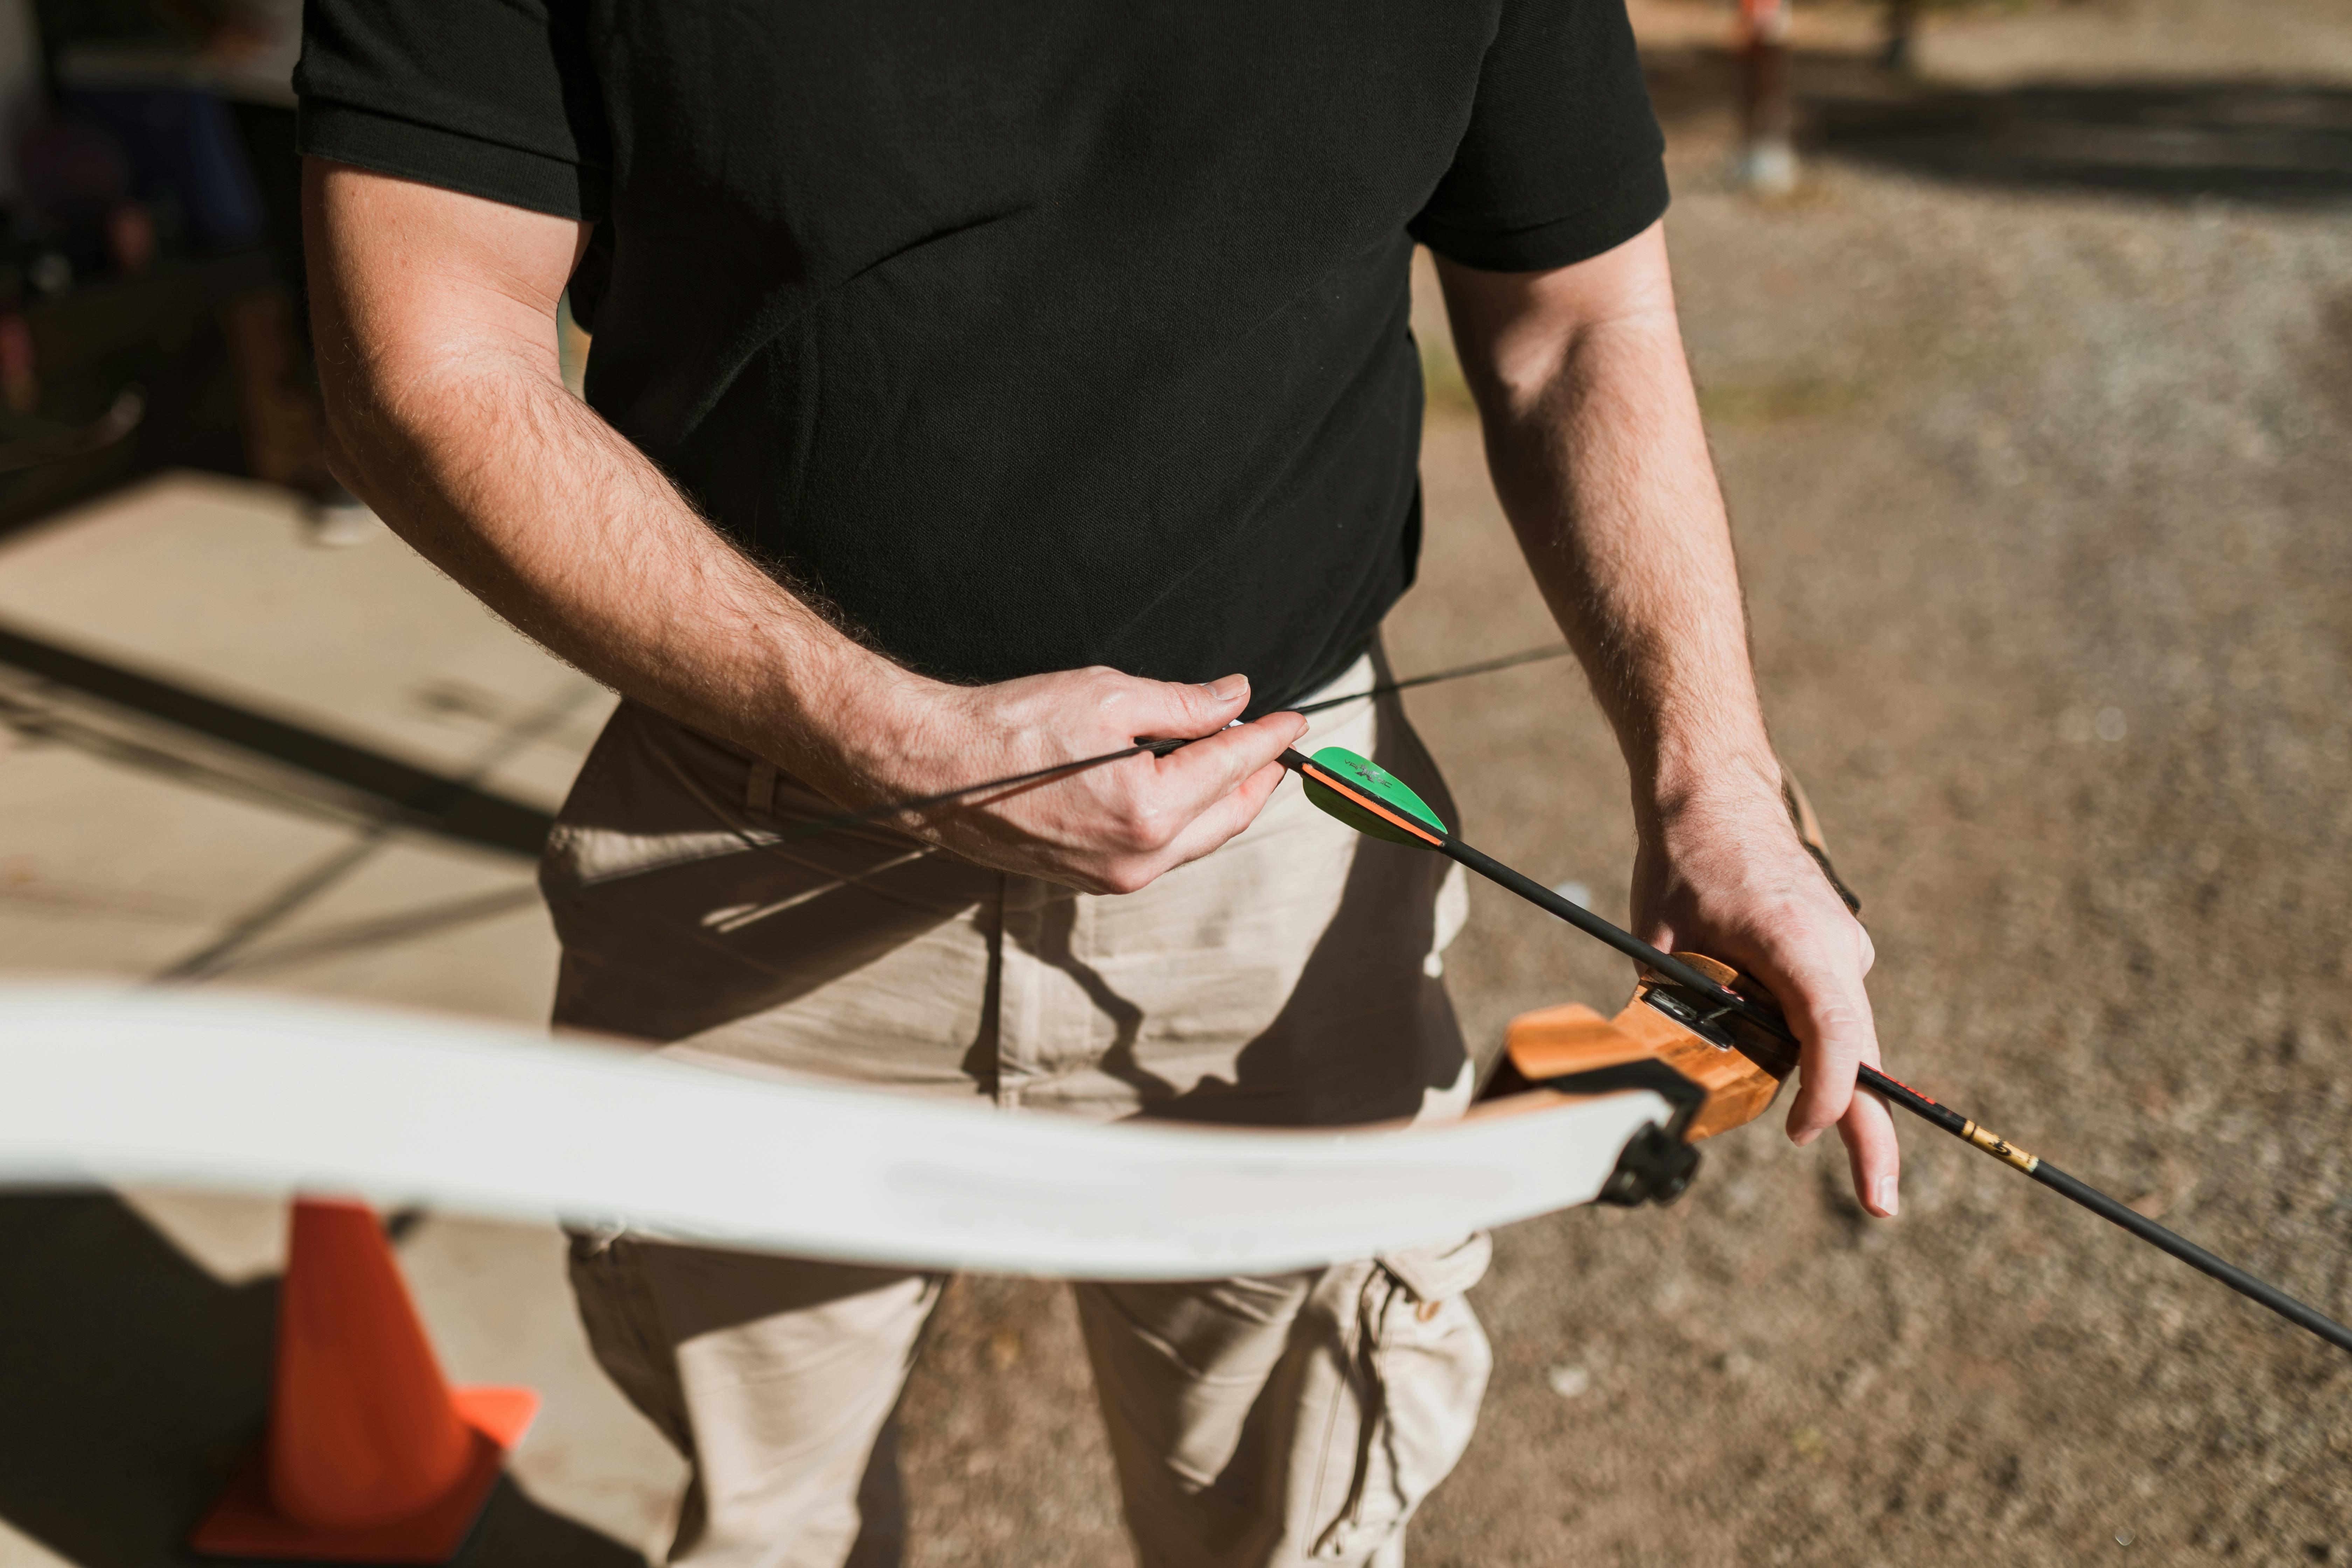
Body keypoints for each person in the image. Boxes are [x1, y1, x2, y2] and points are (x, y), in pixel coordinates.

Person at [293, 3, 1896, 1564]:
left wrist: (1718, 789)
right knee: (773, 1523)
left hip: (1280, 855)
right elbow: (427, 359)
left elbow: (1576, 319)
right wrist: (893, 742)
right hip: (754, 846)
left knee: (1290, 1516)